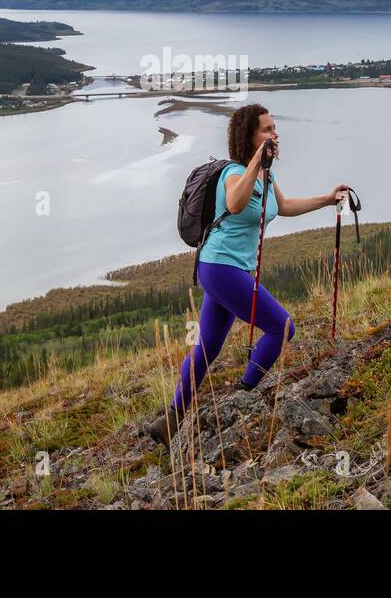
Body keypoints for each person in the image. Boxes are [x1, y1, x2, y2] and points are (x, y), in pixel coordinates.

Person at [146, 102, 349, 448]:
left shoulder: (267, 176)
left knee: (207, 347)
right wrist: (257, 161)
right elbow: (237, 203)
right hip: (219, 267)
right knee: (283, 326)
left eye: (274, 128)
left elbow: (282, 208)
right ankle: (247, 391)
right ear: (250, 136)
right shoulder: (233, 174)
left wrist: (328, 199)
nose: (275, 134)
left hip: (229, 270)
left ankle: (170, 419)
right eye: (267, 129)